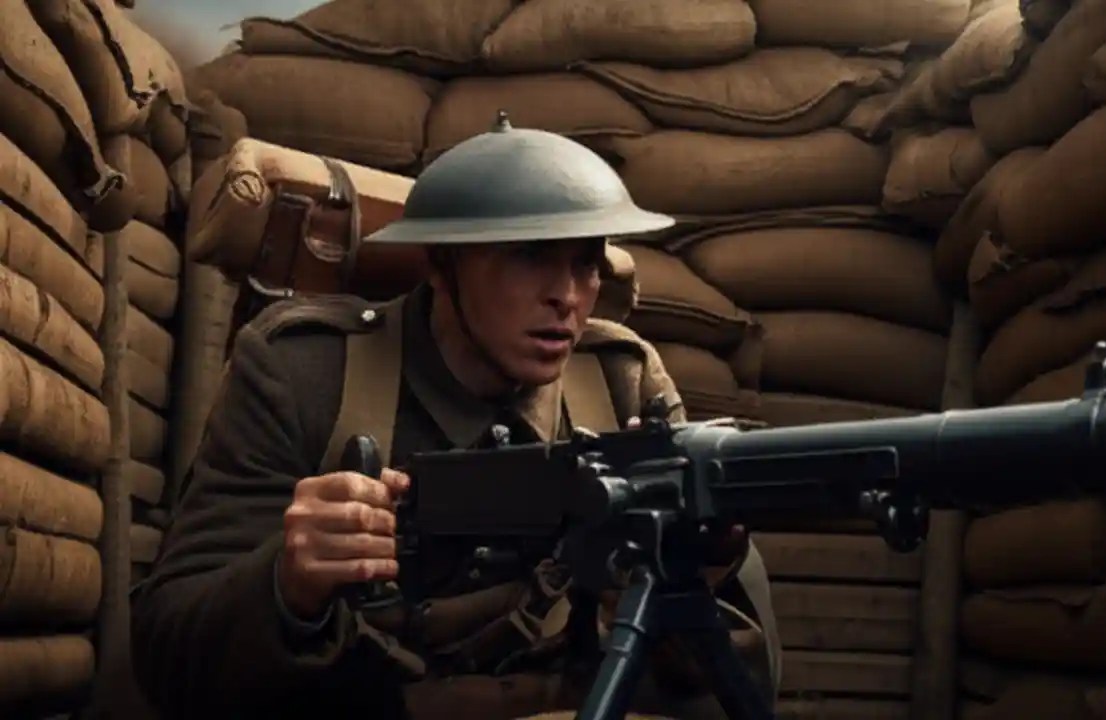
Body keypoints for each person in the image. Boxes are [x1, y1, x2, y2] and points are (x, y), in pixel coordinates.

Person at [130, 113, 781, 720]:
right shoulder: (304, 373)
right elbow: (168, 654)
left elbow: (738, 684)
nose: (567, 295)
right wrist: (287, 584)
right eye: (529, 255)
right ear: (440, 265)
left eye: (586, 261)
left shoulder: (621, 380)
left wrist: (697, 566)